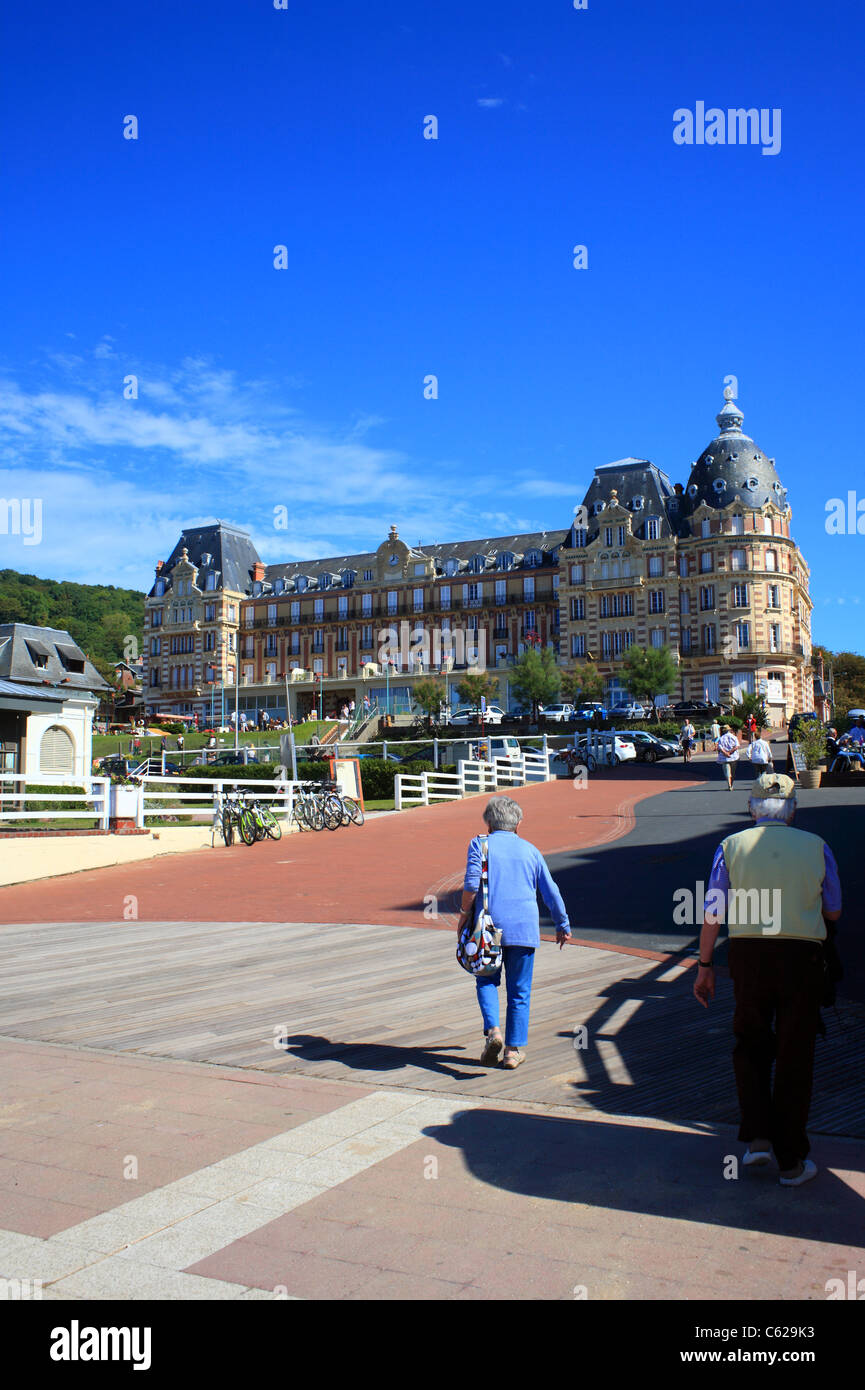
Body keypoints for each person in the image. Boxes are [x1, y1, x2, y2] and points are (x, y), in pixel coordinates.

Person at [693, 773, 842, 1186]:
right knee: (796, 1053)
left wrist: (705, 966)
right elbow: (833, 911)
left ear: (752, 809)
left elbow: (712, 913)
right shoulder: (816, 846)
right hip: (801, 956)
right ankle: (791, 1160)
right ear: (792, 811)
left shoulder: (731, 847)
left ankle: (757, 1138)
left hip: (749, 955)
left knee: (751, 1043)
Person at [457, 796, 571, 1070]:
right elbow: (550, 891)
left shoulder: (479, 844)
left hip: (488, 930)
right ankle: (512, 1051)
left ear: (488, 821)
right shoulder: (531, 850)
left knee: (485, 980)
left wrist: (463, 916)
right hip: (524, 929)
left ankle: (493, 1032)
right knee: (519, 991)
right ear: (519, 823)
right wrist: (562, 923)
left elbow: (472, 886)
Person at [716, 724, 740, 789]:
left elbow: (720, 747)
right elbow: (737, 746)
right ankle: (731, 784)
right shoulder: (734, 737)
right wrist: (730, 752)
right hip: (733, 757)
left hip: (724, 757)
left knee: (727, 772)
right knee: (733, 772)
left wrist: (725, 753)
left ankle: (729, 784)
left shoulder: (721, 738)